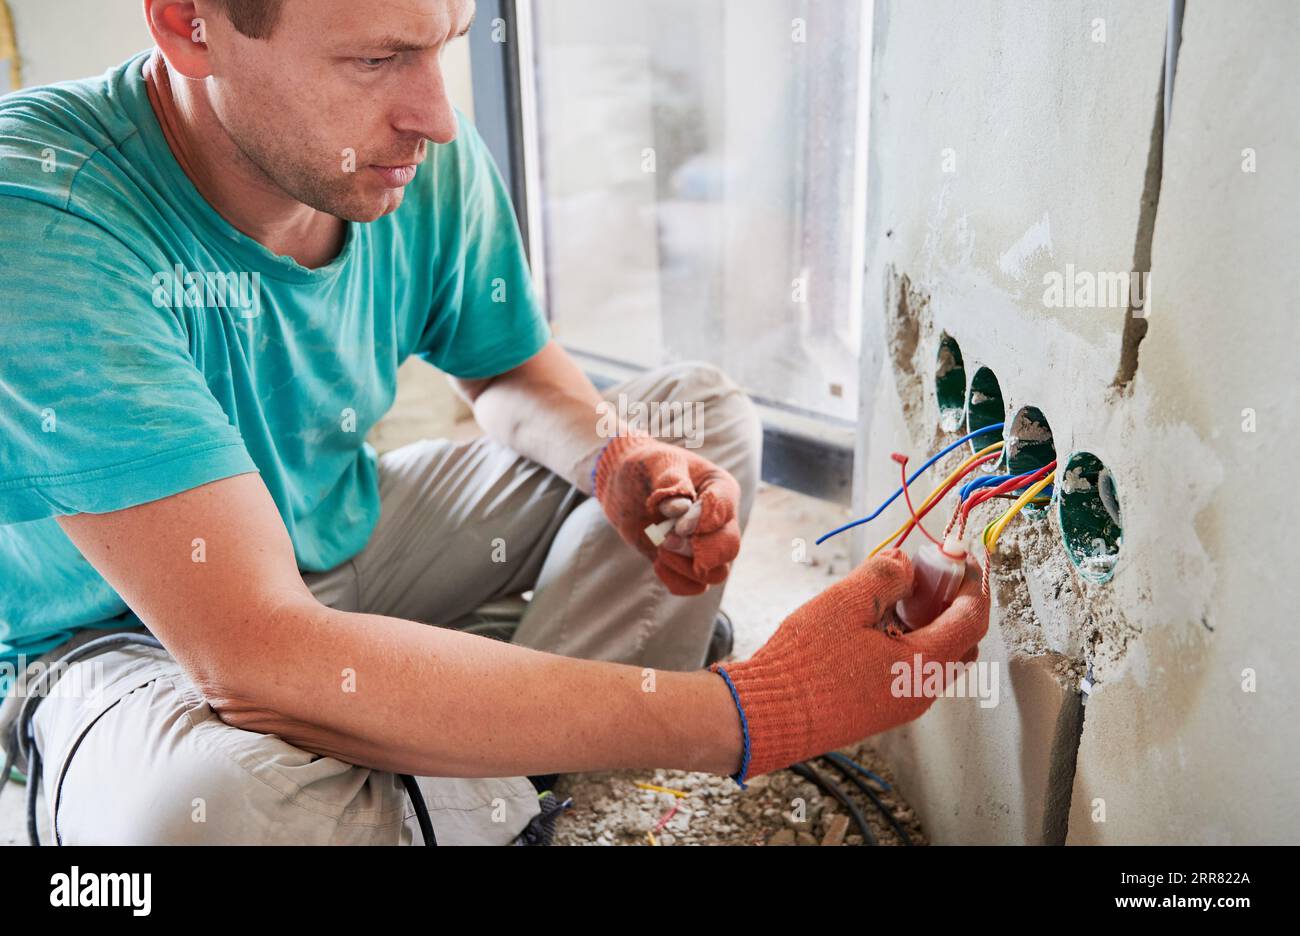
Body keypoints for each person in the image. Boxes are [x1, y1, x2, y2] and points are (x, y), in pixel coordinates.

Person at [0, 0, 987, 844]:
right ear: (188, 24)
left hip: (335, 533)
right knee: (227, 810)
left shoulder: (408, 152)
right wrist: (754, 712)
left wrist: (616, 463)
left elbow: (510, 372)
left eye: (447, 40)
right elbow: (250, 654)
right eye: (376, 58)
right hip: (115, 634)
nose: (432, 114)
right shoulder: (41, 212)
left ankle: (443, 737)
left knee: (701, 421)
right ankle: (490, 739)